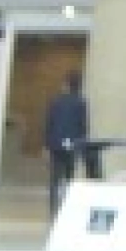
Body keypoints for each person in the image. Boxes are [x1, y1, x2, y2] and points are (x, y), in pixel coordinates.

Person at [43, 70, 93, 198]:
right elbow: (83, 127)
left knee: (55, 177)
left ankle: (53, 207)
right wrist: (83, 146)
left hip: (56, 144)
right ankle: (67, 201)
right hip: (72, 144)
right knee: (69, 175)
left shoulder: (56, 101)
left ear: (66, 85)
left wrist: (46, 145)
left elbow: (49, 123)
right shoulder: (81, 103)